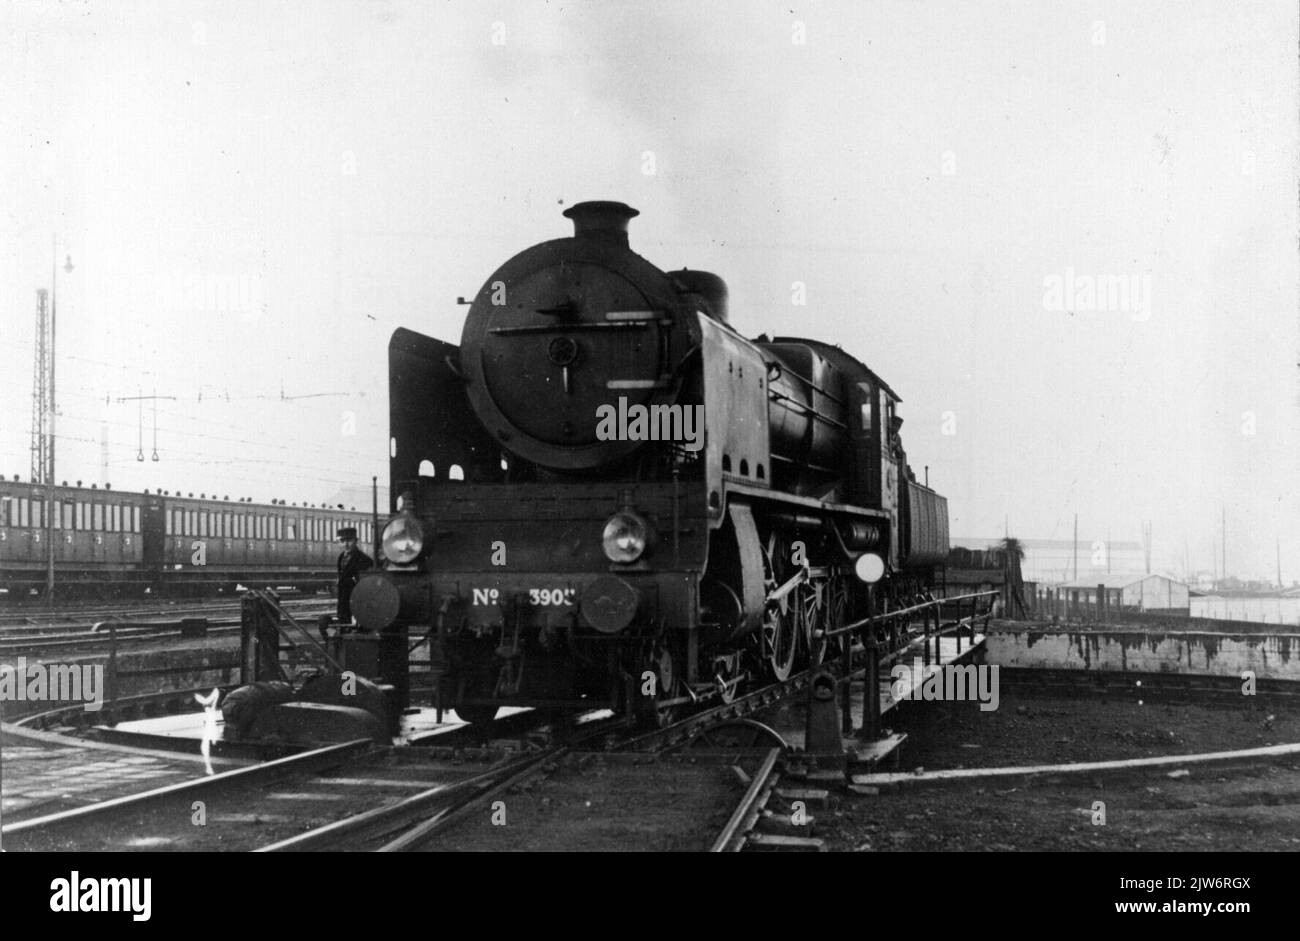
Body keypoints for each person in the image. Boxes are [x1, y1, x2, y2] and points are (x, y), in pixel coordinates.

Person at [336, 527, 374, 628]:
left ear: (356, 541)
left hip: (357, 602)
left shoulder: (364, 560)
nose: (346, 544)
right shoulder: (341, 558)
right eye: (342, 541)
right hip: (343, 603)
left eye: (349, 540)